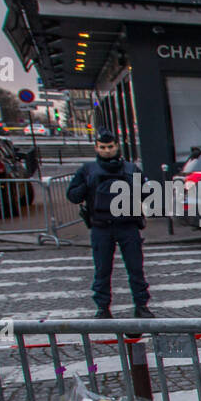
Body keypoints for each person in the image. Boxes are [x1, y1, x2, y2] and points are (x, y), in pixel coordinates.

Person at [65, 130, 155, 319]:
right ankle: (103, 308)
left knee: (136, 268)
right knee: (102, 270)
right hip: (101, 226)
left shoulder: (131, 169)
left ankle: (141, 306)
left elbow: (148, 193)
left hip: (128, 225)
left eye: (110, 147)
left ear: (117, 147)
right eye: (103, 147)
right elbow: (73, 195)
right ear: (97, 148)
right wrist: (89, 185)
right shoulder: (88, 170)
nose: (107, 151)